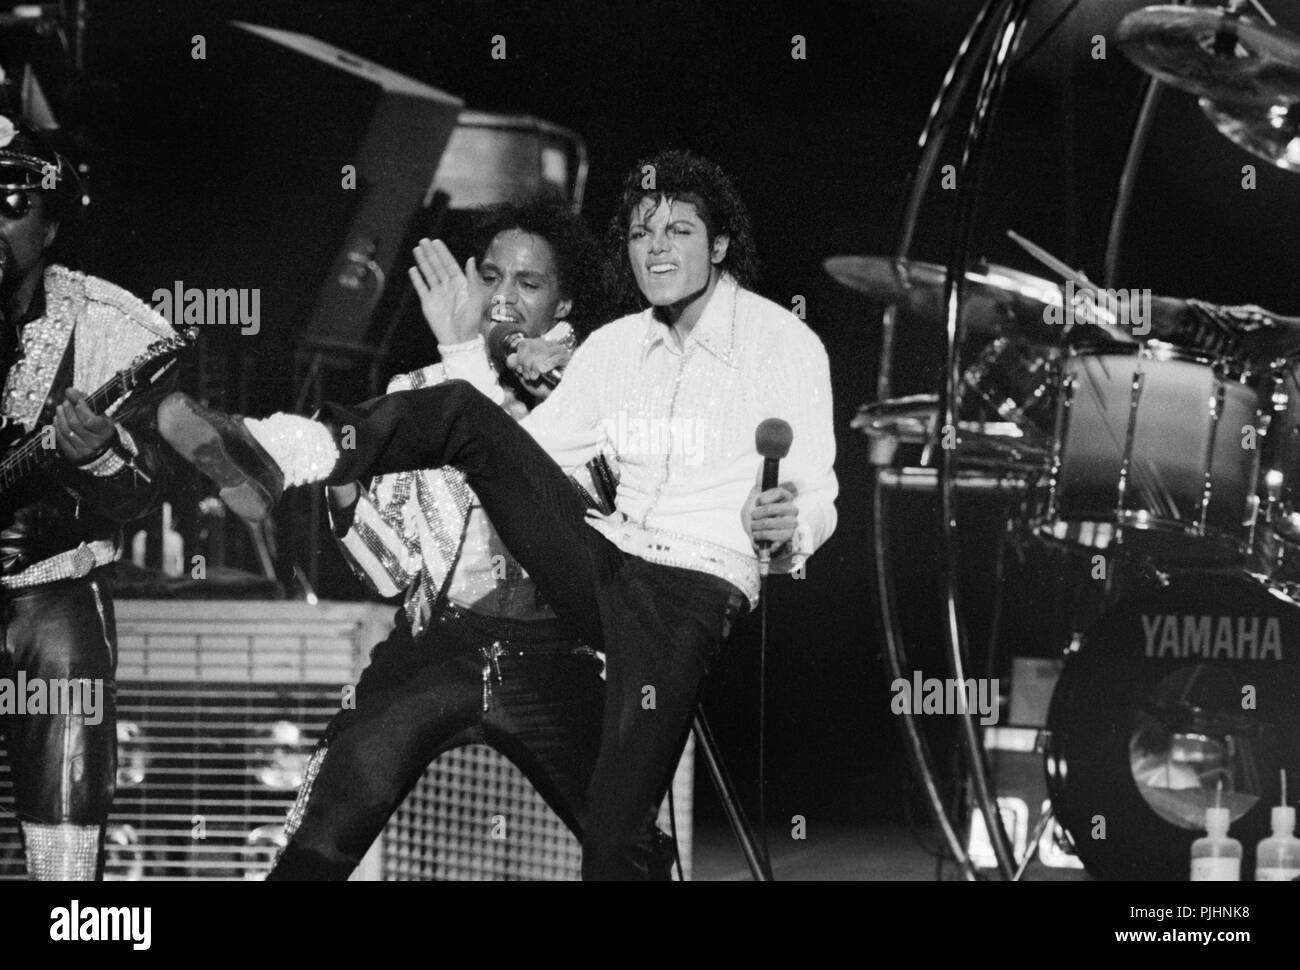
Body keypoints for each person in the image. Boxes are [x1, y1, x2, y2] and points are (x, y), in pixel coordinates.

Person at [159, 149, 839, 879]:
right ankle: (278, 451)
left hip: (657, 603)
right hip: (532, 597)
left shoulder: (772, 344)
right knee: (455, 412)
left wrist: (788, 529)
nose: (657, 248)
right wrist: (444, 386)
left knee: (619, 844)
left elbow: (815, 493)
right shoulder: (609, 351)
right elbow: (509, 457)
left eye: (678, 231)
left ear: (721, 245)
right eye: (643, 233)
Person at [268, 196, 671, 879]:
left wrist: (467, 360)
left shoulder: (590, 396)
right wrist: (342, 484)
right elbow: (392, 575)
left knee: (631, 853)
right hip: (438, 648)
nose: (502, 297)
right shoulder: (415, 393)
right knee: (316, 845)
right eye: (490, 276)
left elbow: (584, 519)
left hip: (554, 661)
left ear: (563, 307)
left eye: (528, 283)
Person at [0, 113, 175, 879]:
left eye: (10, 203)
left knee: (64, 847)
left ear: (54, 220)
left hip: (51, 600)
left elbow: (146, 494)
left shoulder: (116, 331)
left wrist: (100, 457)